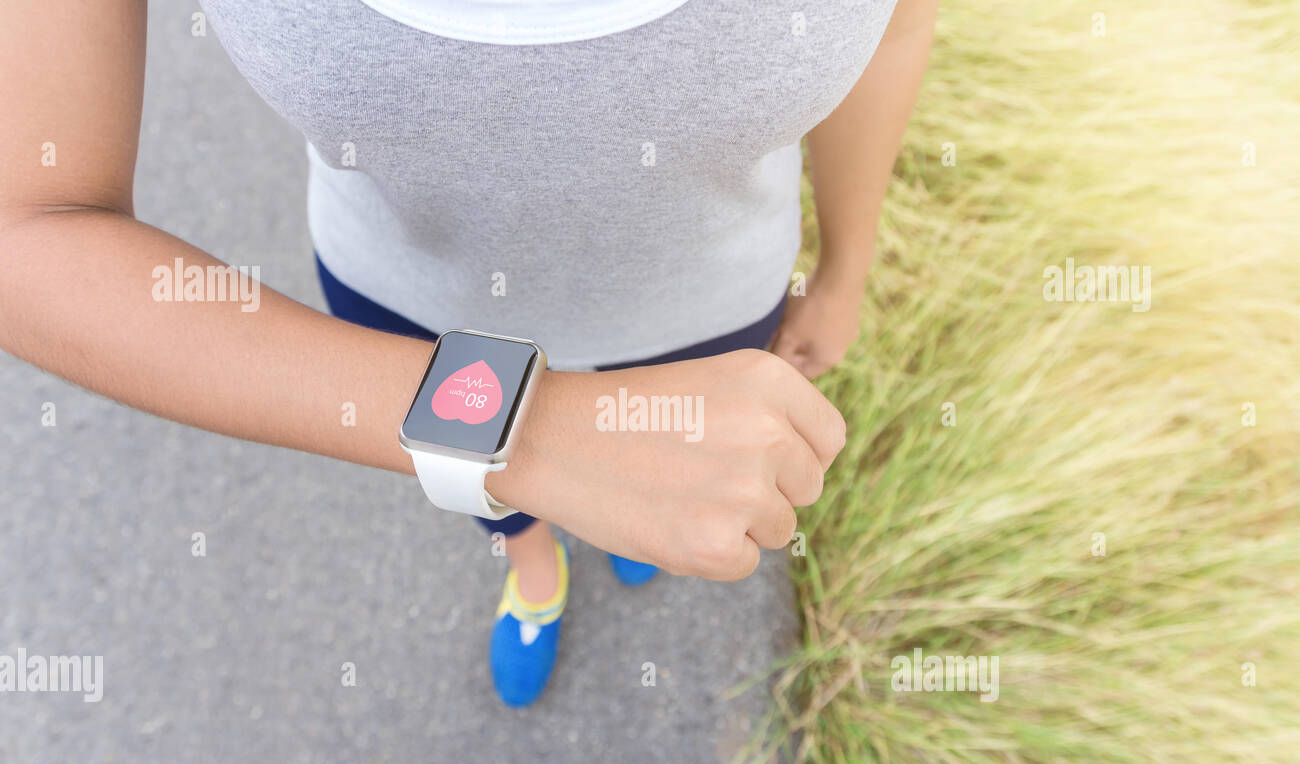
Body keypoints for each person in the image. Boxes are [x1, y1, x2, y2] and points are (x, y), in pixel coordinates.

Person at [0, 0, 935, 706]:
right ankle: (533, 573)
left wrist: (848, 266)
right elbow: (28, 230)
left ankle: (603, 530)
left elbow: (897, 25)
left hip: (718, 310)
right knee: (497, 496)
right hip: (420, 324)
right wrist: (529, 439)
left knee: (634, 487)